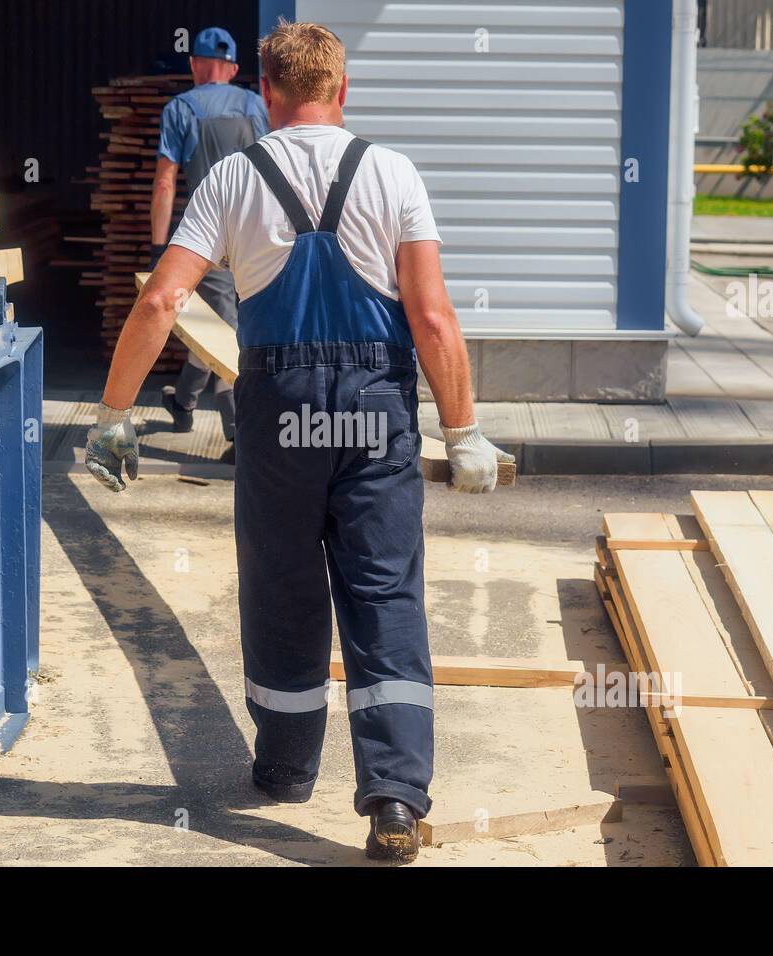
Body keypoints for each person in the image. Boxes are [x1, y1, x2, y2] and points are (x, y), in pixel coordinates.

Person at [87, 19, 511, 863]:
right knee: (384, 592)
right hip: (373, 410)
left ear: (267, 96)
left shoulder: (234, 178)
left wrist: (112, 415)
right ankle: (394, 797)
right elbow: (430, 315)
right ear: (342, 91)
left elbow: (161, 302)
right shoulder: (393, 174)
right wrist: (461, 430)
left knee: (283, 589)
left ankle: (283, 770)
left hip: (279, 411)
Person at [153, 26, 267, 454]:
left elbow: (165, 183)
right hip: (258, 237)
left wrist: (159, 247)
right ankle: (187, 405)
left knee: (220, 328)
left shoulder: (180, 108)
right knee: (230, 327)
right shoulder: (256, 106)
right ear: (234, 68)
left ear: (195, 65)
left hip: (209, 239)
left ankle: (233, 431)